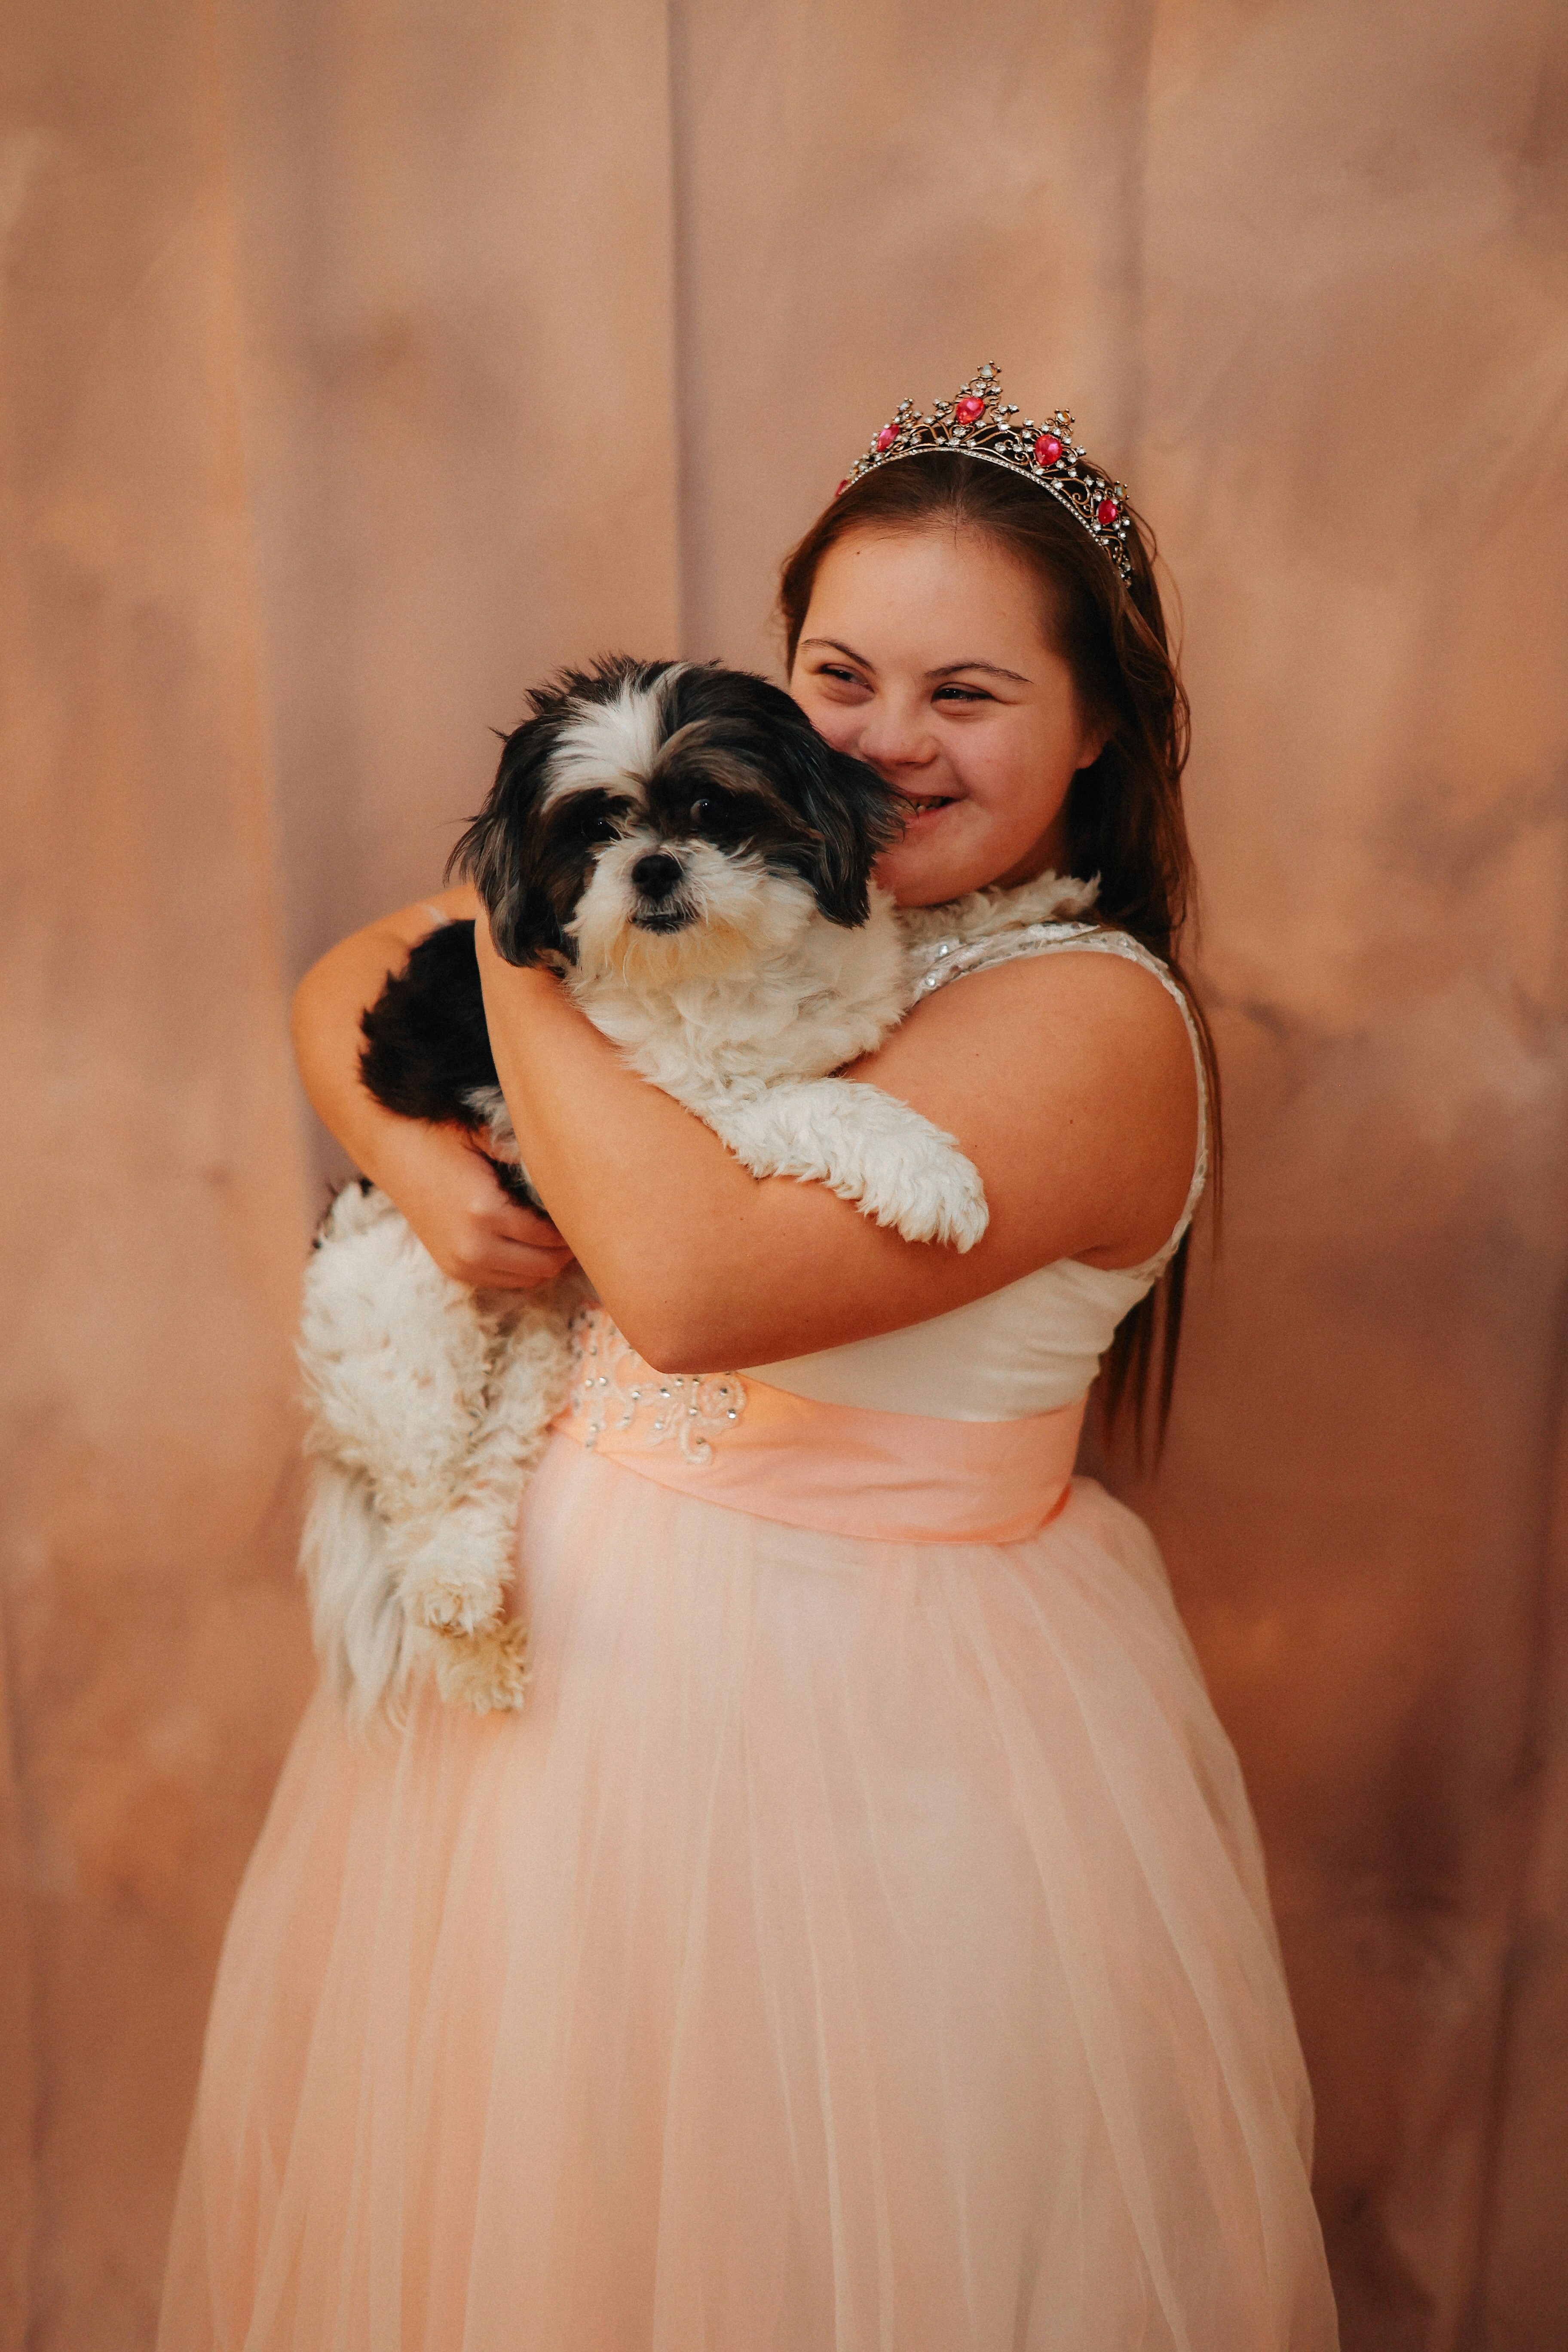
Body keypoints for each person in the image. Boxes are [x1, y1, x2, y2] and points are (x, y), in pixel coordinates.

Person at [158, 371, 1339, 2349]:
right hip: (556, 1702)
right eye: (842, 674)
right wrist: (417, 1164)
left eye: (970, 695)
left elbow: (696, 1282)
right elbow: (345, 981)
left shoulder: (1090, 1015)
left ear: (1102, 731)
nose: (883, 740)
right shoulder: (767, 891)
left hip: (869, 1753)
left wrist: (517, 931)